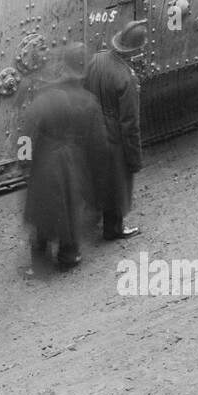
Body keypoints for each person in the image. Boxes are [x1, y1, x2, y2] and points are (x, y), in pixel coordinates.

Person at [21, 43, 108, 275]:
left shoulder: (38, 104)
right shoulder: (77, 99)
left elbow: (26, 136)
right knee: (68, 206)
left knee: (42, 211)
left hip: (45, 162)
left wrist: (24, 163)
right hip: (68, 158)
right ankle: (69, 255)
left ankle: (39, 263)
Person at [84, 20, 145, 241]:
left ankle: (94, 215)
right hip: (112, 133)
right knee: (117, 181)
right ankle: (114, 228)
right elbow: (130, 124)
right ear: (136, 49)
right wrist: (134, 159)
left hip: (91, 126)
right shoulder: (127, 78)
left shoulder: (96, 59)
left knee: (97, 174)